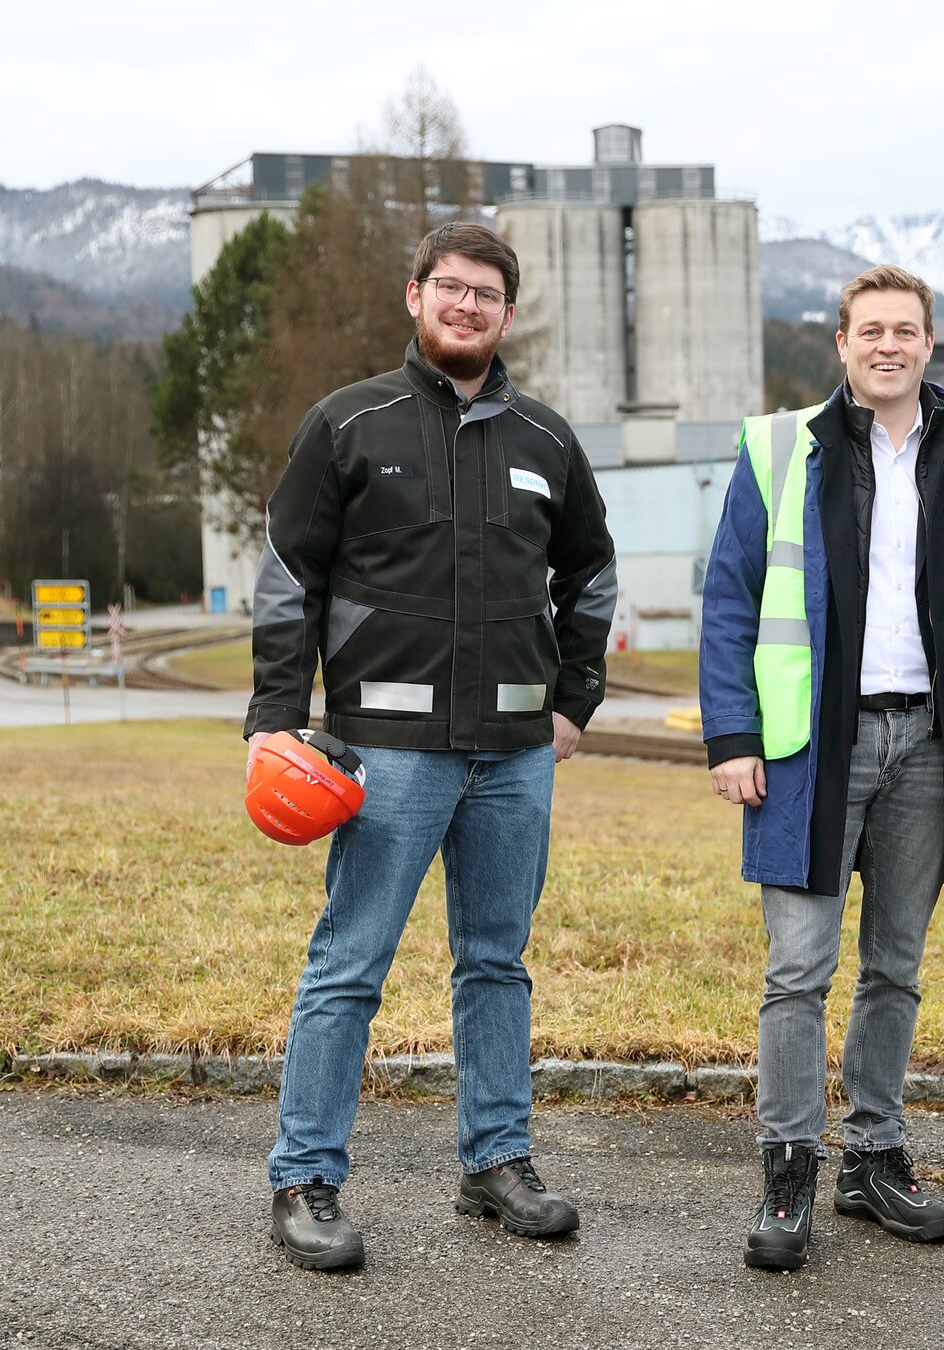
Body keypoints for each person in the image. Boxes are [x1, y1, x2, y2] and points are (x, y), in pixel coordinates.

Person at [246, 221, 618, 1272]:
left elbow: (589, 576)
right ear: (415, 296)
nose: (466, 307)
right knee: (348, 965)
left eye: (485, 295)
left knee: (495, 965)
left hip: (513, 754)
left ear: (507, 313)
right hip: (386, 751)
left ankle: (495, 1163)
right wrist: (277, 719)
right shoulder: (347, 424)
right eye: (448, 288)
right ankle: (304, 1177)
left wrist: (572, 703)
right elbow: (287, 577)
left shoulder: (545, 441)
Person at [699, 265, 944, 1271]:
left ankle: (873, 1157)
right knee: (796, 971)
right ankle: (786, 1170)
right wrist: (730, 737)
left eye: (904, 329)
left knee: (895, 967)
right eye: (869, 330)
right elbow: (729, 598)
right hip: (810, 745)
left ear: (927, 344)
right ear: (843, 345)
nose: (886, 345)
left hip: (934, 746)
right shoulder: (779, 448)